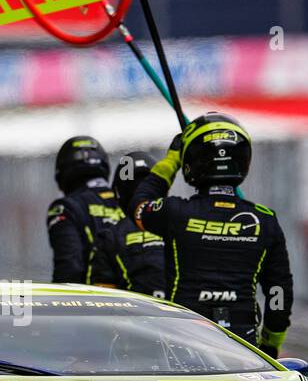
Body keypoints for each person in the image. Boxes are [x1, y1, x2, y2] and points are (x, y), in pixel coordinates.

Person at [131, 112, 294, 357]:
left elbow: (139, 205)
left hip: (182, 335)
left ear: (192, 162)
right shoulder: (265, 219)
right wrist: (270, 346)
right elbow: (279, 291)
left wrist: (171, 160)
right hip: (243, 343)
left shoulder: (175, 212)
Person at [45, 136, 124, 287]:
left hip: (97, 303)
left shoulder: (64, 208)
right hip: (145, 303)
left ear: (62, 173)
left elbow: (69, 268)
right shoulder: (130, 203)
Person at [97, 150, 166, 299]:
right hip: (184, 317)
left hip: (134, 318)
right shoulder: (181, 222)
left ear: (118, 191)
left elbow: (101, 299)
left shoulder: (110, 236)